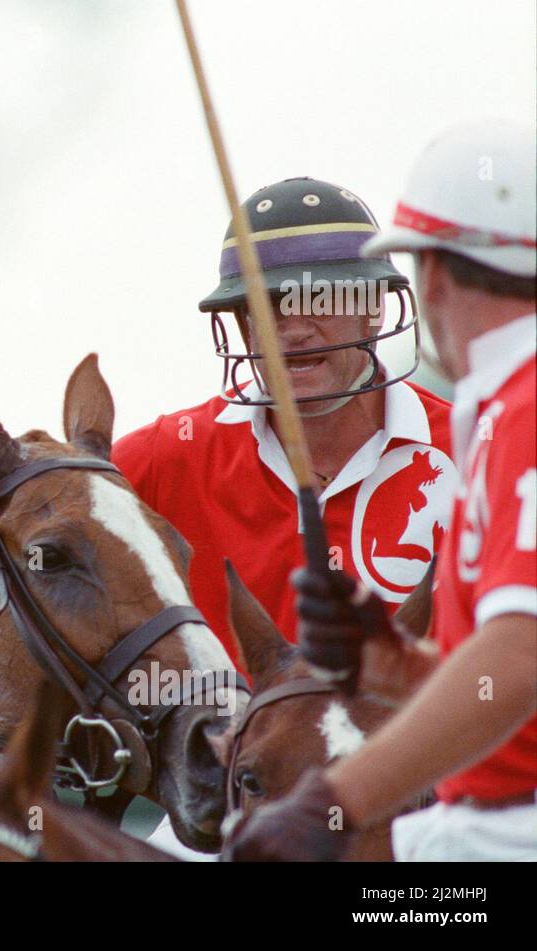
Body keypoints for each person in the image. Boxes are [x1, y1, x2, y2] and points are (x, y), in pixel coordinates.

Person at [111, 177, 458, 858]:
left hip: (441, 806)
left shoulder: (476, 447)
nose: (294, 325)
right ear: (238, 325)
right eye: (264, 305)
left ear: (375, 311)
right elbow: (28, 542)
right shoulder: (160, 459)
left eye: (324, 300)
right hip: (231, 814)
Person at [226, 119, 537, 861]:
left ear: (429, 274)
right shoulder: (499, 407)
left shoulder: (526, 407)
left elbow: (521, 659)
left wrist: (334, 799)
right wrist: (394, 665)